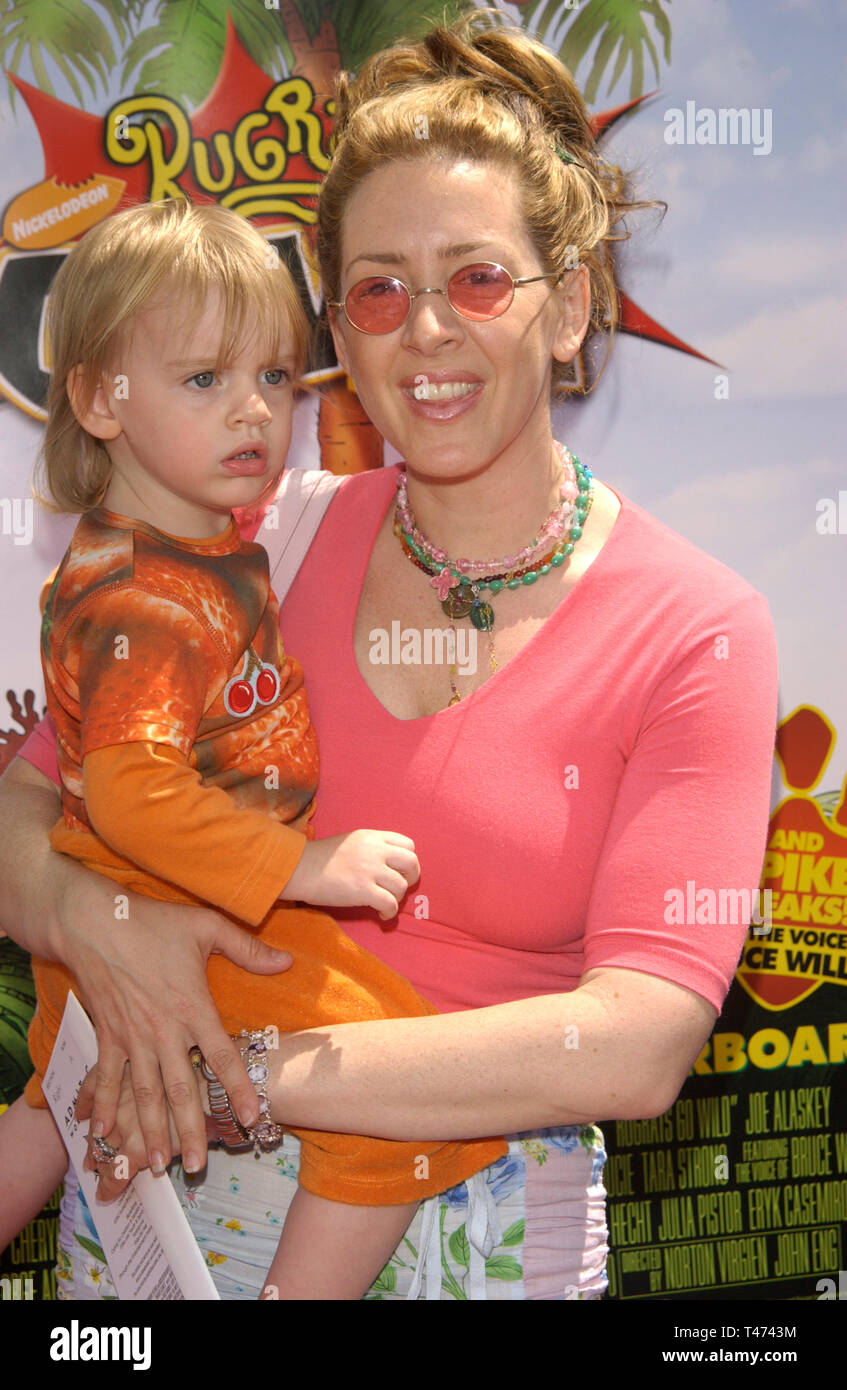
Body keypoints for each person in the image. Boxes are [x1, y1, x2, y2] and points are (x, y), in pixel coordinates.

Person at [0, 12, 777, 1300]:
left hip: (480, 1249)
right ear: (340, 341)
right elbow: (31, 799)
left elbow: (641, 1040)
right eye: (377, 290)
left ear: (570, 303)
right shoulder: (252, 543)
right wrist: (99, 922)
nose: (424, 329)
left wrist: (256, 1058)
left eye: (477, 279)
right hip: (154, 1236)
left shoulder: (694, 624)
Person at [0, 197, 506, 1300]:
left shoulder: (169, 548)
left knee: (60, 1104)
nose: (253, 413)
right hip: (168, 892)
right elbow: (132, 792)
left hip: (114, 895)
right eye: (202, 381)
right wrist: (303, 867)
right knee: (403, 1103)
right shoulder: (154, 593)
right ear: (96, 398)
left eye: (275, 378)